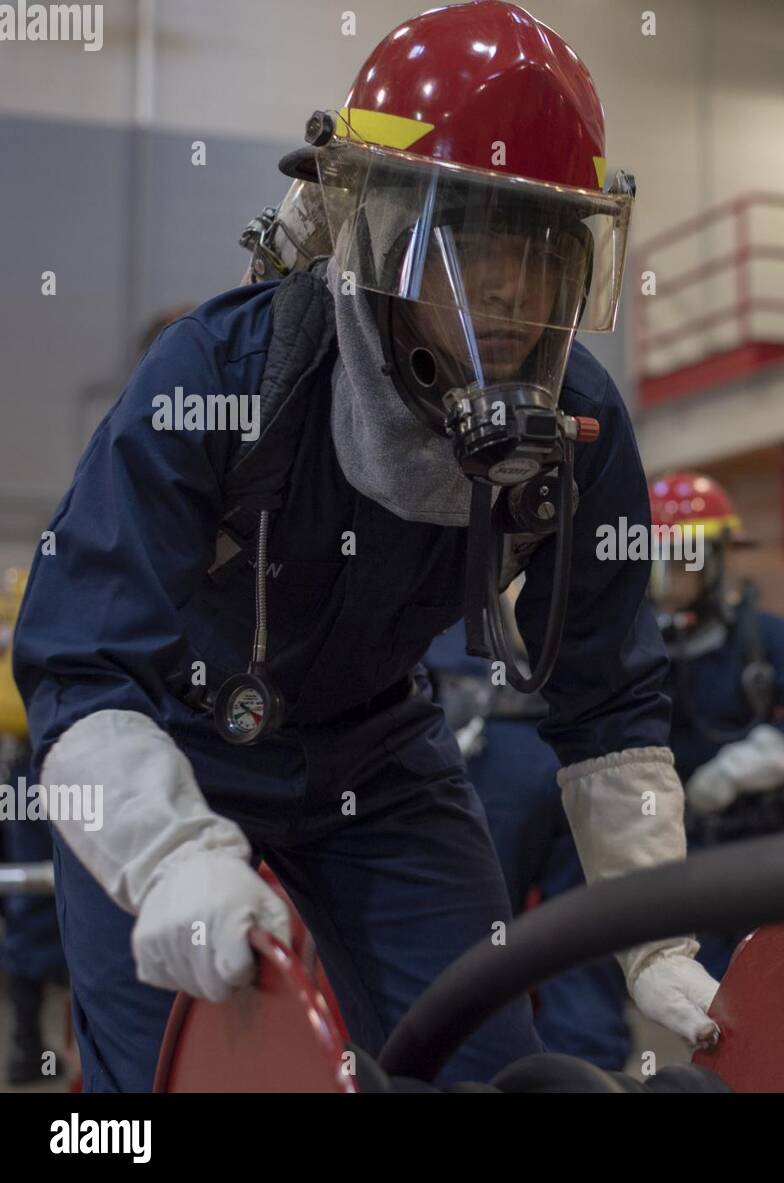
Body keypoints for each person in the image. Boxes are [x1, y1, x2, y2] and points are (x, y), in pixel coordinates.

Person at [13, 2, 717, 1092]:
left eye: (538, 246)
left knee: (489, 1061)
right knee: (178, 1076)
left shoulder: (580, 430)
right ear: (379, 226)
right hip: (170, 741)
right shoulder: (217, 376)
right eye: (471, 235)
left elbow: (610, 702)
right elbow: (78, 658)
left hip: (376, 766)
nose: (508, 289)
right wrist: (168, 861)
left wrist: (657, 938)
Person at [422, 619, 629, 1070]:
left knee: (473, 945)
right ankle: (584, 1078)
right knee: (582, 940)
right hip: (587, 748)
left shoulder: (441, 579)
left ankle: (480, 1075)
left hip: (491, 751)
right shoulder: (595, 573)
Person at [648, 471, 784, 976]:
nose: (668, 575)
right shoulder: (635, 651)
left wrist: (736, 771)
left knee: (783, 977)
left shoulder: (767, 638)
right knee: (709, 994)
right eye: (656, 561)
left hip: (762, 844)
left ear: (713, 560)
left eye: (682, 559)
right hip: (680, 854)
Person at [0, 567, 65, 1085]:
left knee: (32, 902)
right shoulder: (51, 606)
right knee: (36, 900)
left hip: (29, 771)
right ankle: (31, 1044)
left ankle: (29, 1045)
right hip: (34, 770)